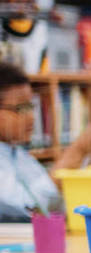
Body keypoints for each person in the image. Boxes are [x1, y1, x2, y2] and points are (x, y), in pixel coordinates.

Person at [0, 62, 60, 219]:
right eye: (21, 109)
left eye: (31, 107)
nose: (31, 118)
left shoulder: (19, 155)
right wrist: (75, 155)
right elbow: (26, 205)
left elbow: (53, 203)